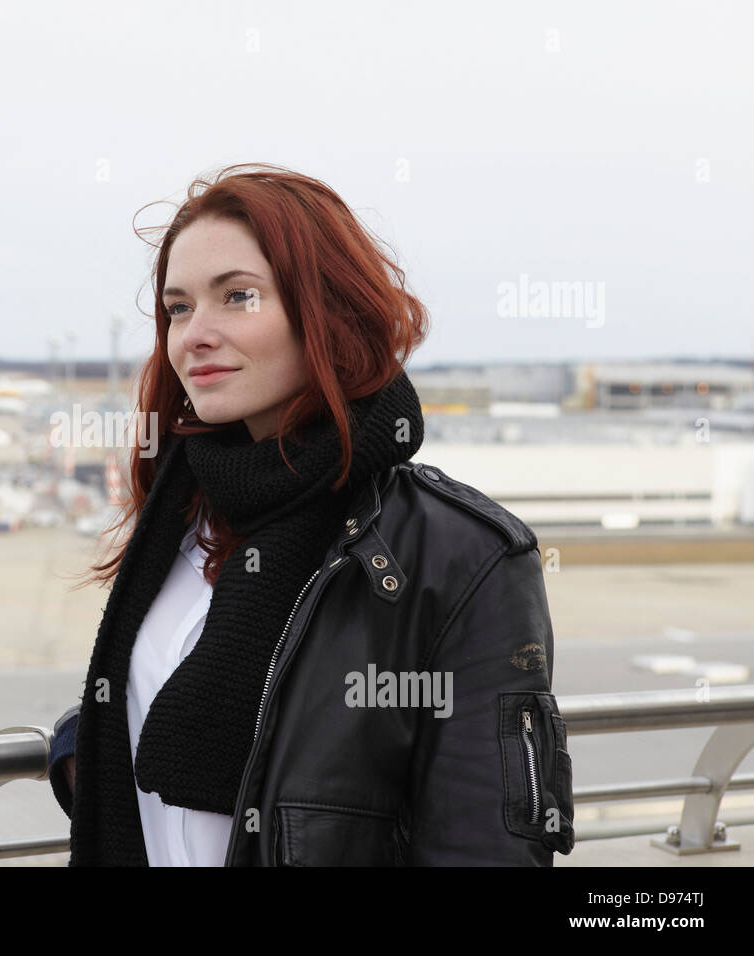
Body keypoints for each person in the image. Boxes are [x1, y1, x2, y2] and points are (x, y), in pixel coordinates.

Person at [48, 163, 574, 866]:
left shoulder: (462, 557)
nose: (194, 335)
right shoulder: (180, 515)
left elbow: (481, 845)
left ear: (328, 310)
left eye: (237, 296)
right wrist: (87, 742)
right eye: (178, 308)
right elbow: (183, 703)